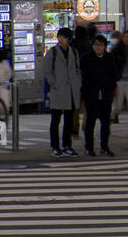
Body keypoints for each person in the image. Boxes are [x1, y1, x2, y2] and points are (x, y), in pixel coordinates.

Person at [43, 27, 81, 157]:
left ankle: (67, 145)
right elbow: (47, 71)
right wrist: (53, 84)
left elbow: (77, 70)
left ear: (69, 39)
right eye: (59, 36)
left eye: (64, 37)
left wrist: (77, 83)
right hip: (58, 90)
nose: (60, 39)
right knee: (56, 120)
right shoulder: (52, 53)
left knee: (69, 120)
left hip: (70, 90)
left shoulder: (73, 52)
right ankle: (55, 146)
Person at [81, 34, 117, 156]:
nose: (98, 47)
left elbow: (114, 75)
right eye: (96, 44)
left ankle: (104, 146)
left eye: (101, 45)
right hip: (91, 95)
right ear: (92, 45)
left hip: (106, 95)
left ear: (104, 46)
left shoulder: (109, 58)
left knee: (106, 123)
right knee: (90, 123)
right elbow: (83, 76)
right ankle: (89, 147)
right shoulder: (86, 58)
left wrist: (110, 87)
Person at [111, 29, 128, 133]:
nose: (127, 39)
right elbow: (113, 66)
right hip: (119, 81)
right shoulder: (116, 50)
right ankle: (111, 117)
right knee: (118, 107)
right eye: (125, 37)